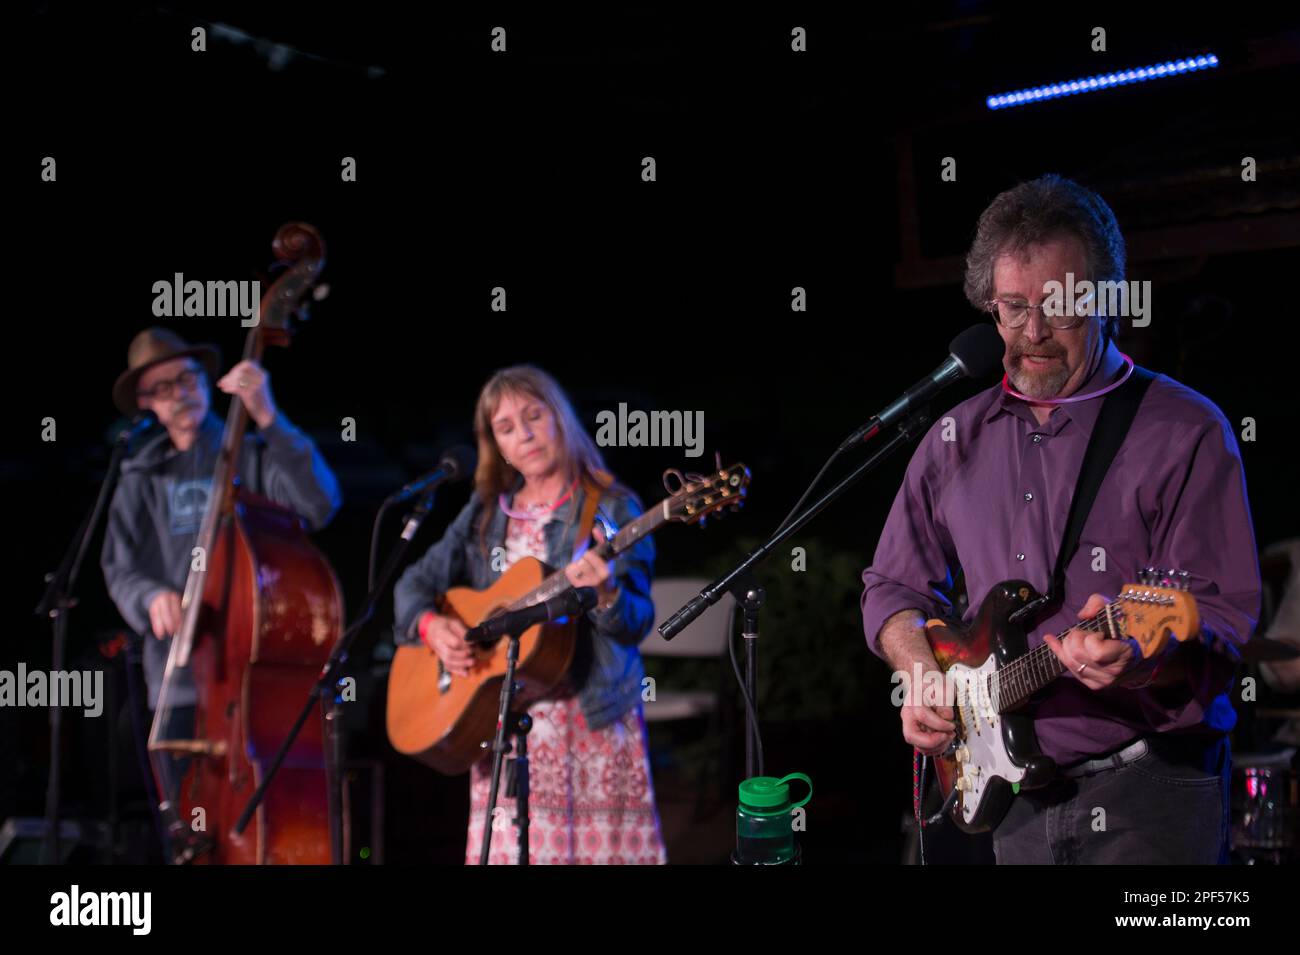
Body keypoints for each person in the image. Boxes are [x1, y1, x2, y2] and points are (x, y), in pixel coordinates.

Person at [861, 175, 1261, 864]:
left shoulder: (1187, 429)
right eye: (1013, 308)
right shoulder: (954, 438)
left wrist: (1140, 656)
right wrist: (923, 672)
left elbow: (1220, 611)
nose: (1035, 333)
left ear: (1109, 300)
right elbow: (892, 587)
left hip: (1150, 792)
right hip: (1011, 800)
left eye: (1061, 307)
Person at [393, 365, 667, 864]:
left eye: (534, 416)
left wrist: (605, 594)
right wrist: (432, 627)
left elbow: (635, 622)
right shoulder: (486, 512)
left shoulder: (612, 506)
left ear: (560, 417)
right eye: (506, 427)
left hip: (593, 719)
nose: (524, 434)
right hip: (502, 716)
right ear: (495, 445)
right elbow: (414, 582)